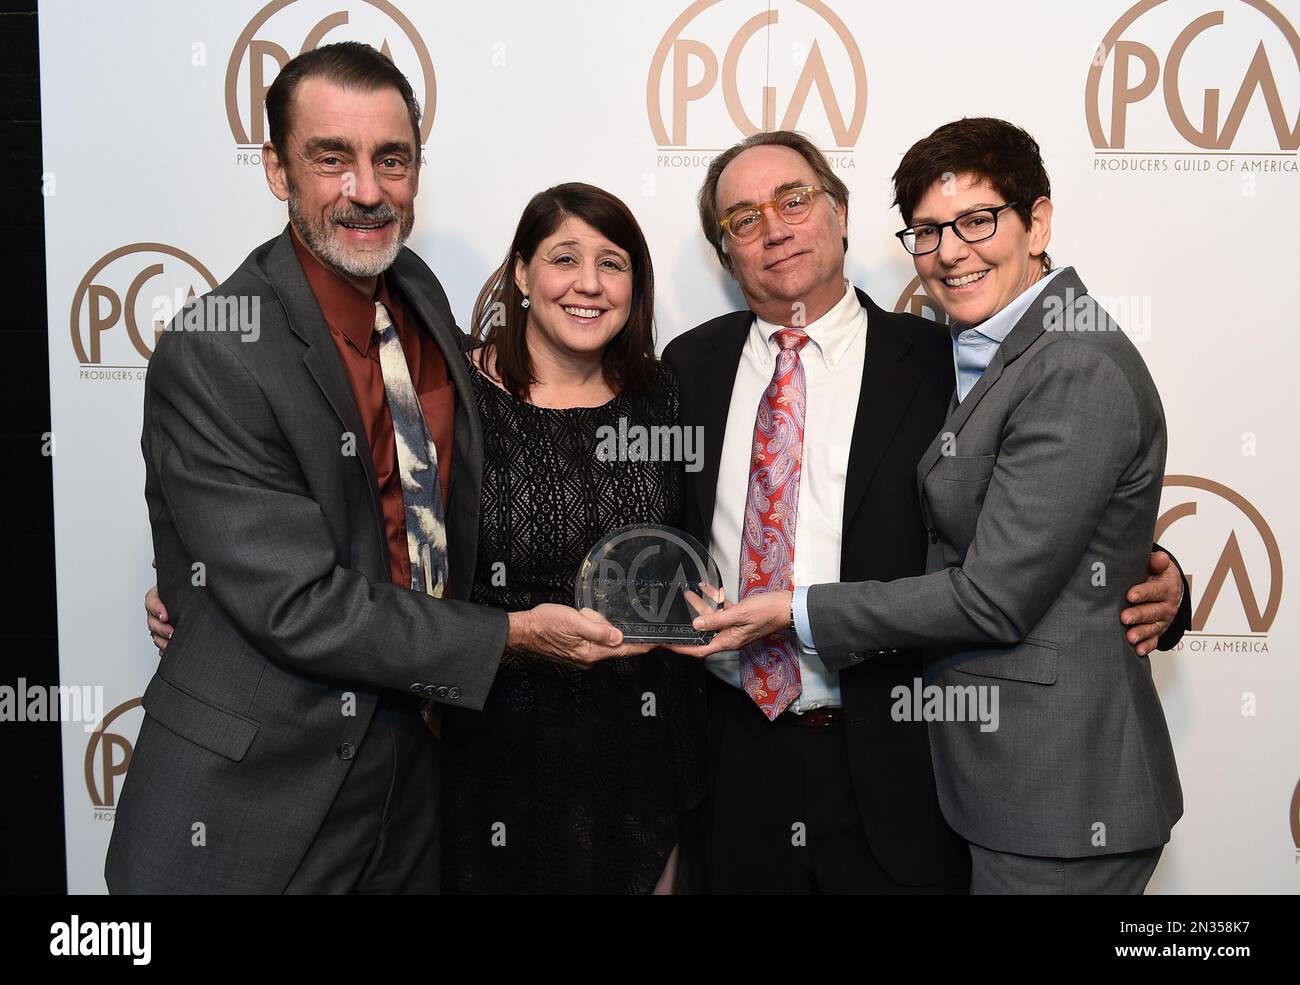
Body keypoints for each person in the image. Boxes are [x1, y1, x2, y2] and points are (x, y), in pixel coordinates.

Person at [111, 43, 636, 895]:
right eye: (332, 159)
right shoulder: (218, 349)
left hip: (419, 769)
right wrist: (510, 637)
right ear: (278, 169)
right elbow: (294, 601)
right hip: (264, 791)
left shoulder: (413, 288)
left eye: (390, 159)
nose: (366, 190)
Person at [661, 129, 1189, 893]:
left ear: (840, 215)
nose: (773, 227)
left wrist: (1157, 571)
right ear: (726, 250)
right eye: (743, 218)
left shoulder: (950, 358)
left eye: (794, 200)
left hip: (899, 758)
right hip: (734, 756)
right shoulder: (687, 367)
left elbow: (1044, 518)